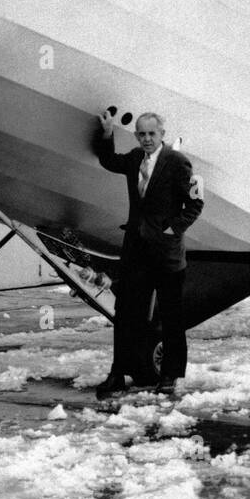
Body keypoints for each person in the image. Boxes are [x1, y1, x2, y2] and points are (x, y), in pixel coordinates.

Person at [93, 111, 204, 398]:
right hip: (137, 253)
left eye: (151, 134)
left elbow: (194, 204)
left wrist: (172, 231)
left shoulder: (178, 162)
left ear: (162, 134)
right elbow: (108, 161)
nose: (146, 139)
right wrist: (106, 133)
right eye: (141, 134)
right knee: (126, 313)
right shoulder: (133, 159)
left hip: (167, 255)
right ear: (136, 136)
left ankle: (170, 375)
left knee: (171, 317)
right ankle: (119, 373)